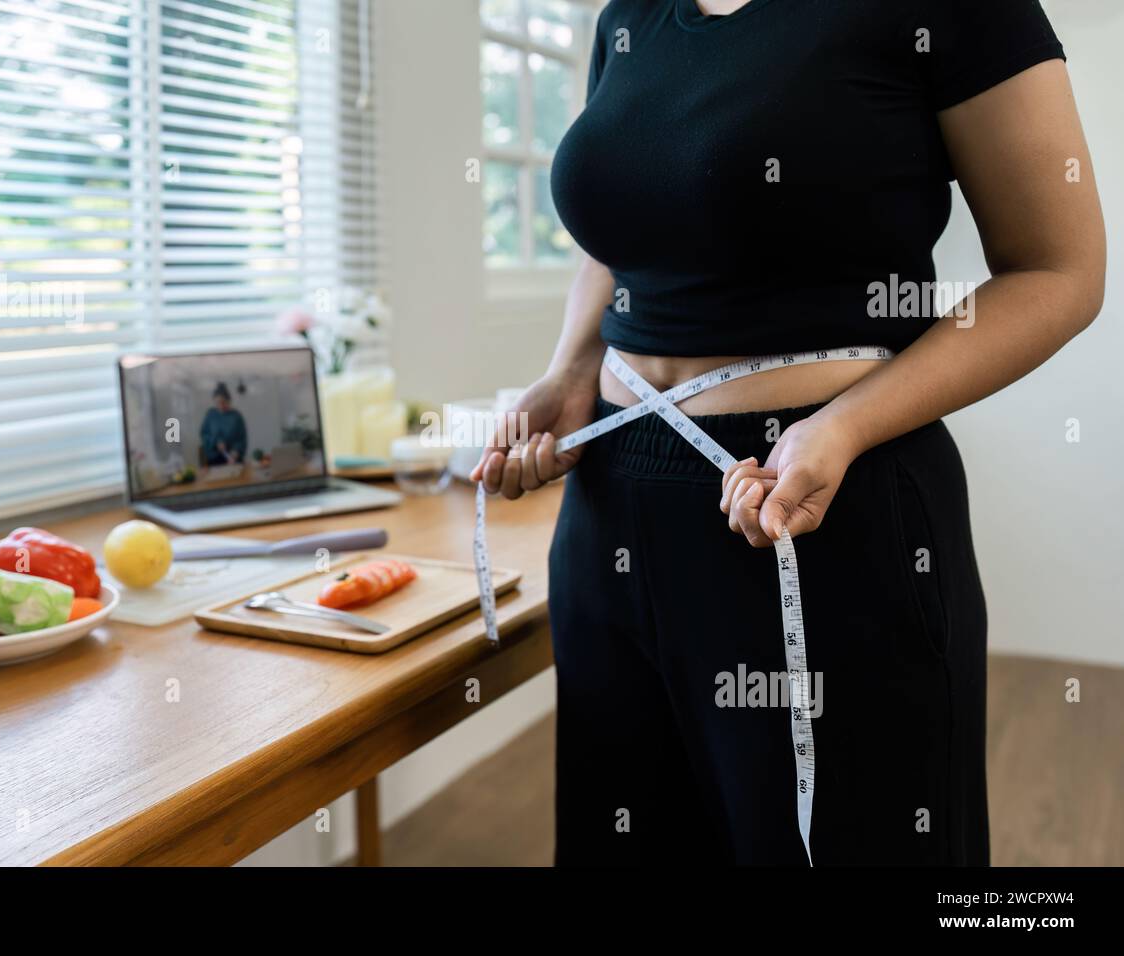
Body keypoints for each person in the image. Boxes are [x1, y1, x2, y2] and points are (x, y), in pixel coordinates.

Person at [472, 0, 1105, 866]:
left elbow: (1058, 270)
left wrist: (840, 428)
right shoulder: (631, 15)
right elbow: (617, 234)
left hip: (821, 503)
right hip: (611, 506)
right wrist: (571, 372)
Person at [199, 382, 247, 466]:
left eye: (223, 402)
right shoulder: (210, 415)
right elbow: (204, 434)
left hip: (233, 458)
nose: (221, 406)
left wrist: (236, 451)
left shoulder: (236, 416)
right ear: (214, 401)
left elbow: (242, 438)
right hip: (214, 459)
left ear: (229, 401)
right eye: (218, 403)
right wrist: (216, 442)